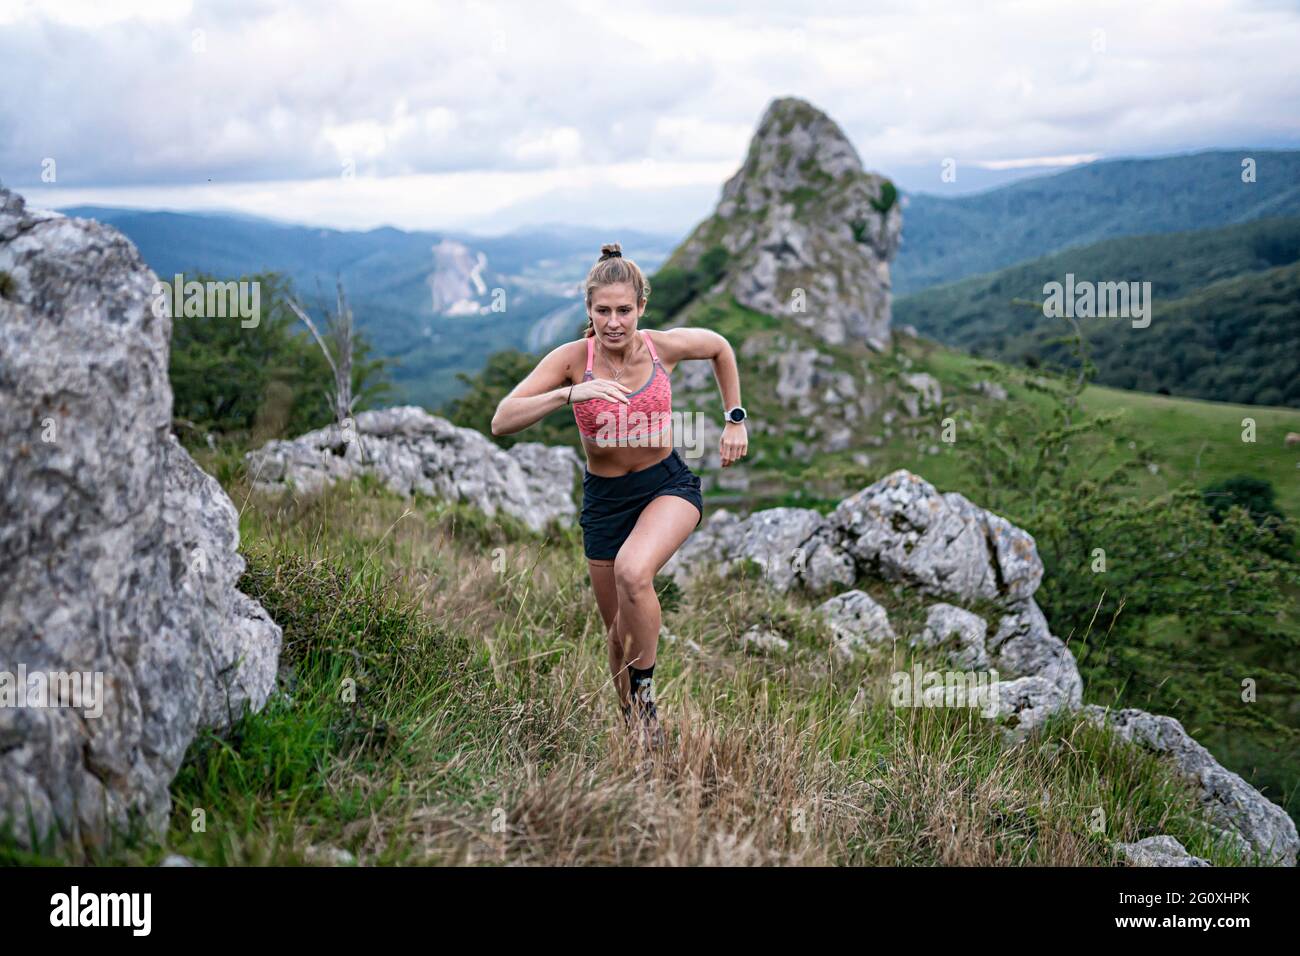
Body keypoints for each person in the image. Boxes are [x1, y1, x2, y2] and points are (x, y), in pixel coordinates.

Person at [491, 243, 749, 748]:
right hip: (605, 502)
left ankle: (646, 699)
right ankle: (633, 728)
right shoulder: (571, 361)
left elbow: (721, 346)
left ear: (641, 309)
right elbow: (502, 420)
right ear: (588, 311)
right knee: (618, 636)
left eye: (624, 310)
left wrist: (734, 418)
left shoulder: (662, 348)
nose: (614, 322)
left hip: (666, 485)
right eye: (603, 311)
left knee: (635, 572)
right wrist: (570, 394)